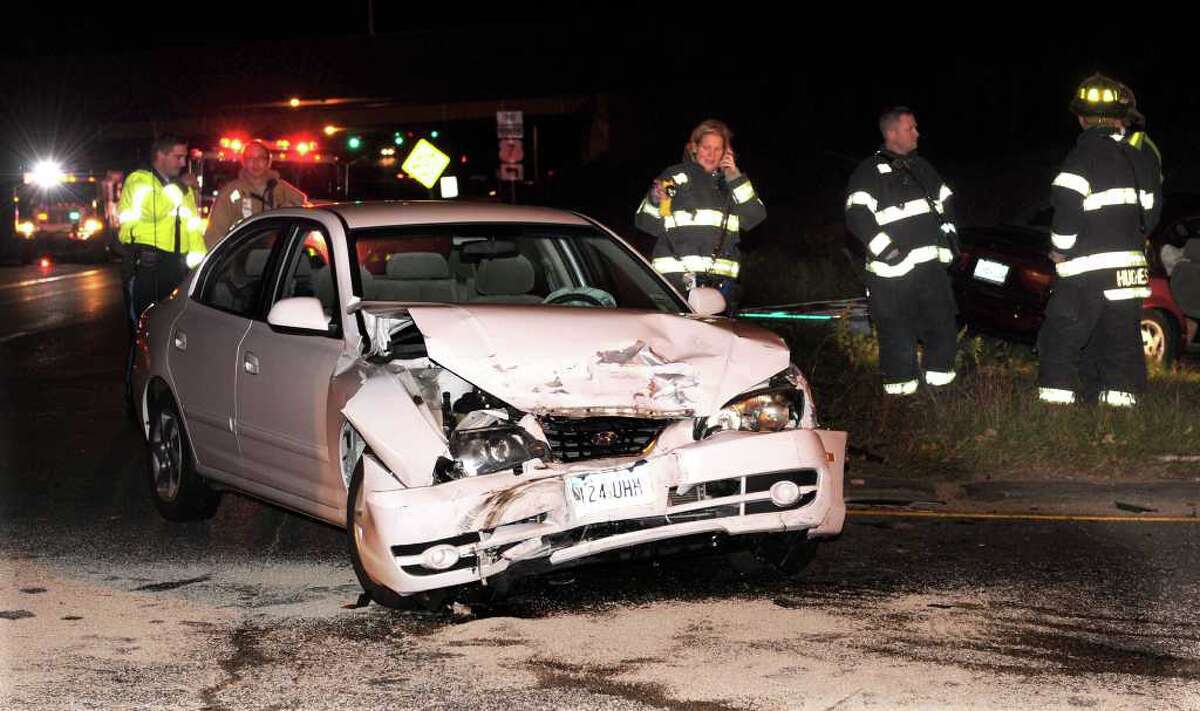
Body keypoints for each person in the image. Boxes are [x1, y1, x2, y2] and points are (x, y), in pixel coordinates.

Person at [1037, 74, 1163, 407]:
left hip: (1085, 273)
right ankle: (1118, 414)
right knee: (1121, 345)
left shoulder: (1081, 157)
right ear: (1120, 117)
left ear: (1081, 118)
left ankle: (1053, 412)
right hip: (1130, 274)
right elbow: (1150, 217)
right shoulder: (1142, 159)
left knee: (1061, 339)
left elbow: (1066, 212)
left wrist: (1060, 251)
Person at [845, 107, 959, 396]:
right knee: (897, 336)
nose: (917, 133)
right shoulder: (868, 172)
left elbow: (947, 203)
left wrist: (950, 247)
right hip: (891, 278)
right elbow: (857, 216)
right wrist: (890, 254)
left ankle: (941, 389)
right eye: (911, 128)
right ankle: (900, 401)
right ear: (892, 133)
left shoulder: (922, 167)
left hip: (931, 272)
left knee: (942, 326)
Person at [634, 119, 765, 311]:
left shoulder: (732, 185)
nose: (711, 155)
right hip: (675, 284)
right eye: (706, 147)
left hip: (721, 288)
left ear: (726, 152)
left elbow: (755, 217)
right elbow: (647, 223)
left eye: (717, 149)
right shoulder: (676, 176)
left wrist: (734, 177)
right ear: (694, 148)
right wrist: (656, 199)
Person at [118, 135, 206, 410]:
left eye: (185, 157)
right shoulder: (140, 181)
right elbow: (152, 211)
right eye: (178, 157)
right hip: (148, 266)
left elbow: (192, 227)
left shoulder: (181, 188)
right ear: (161, 156)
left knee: (176, 332)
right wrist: (180, 187)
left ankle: (170, 393)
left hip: (178, 266)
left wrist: (201, 265)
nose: (183, 163)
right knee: (144, 331)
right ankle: (135, 397)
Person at [203, 140, 306, 248]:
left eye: (261, 158)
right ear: (243, 162)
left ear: (269, 162)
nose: (255, 162)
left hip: (277, 256)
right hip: (242, 255)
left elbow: (305, 213)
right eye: (250, 158)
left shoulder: (282, 189)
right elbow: (215, 233)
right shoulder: (230, 192)